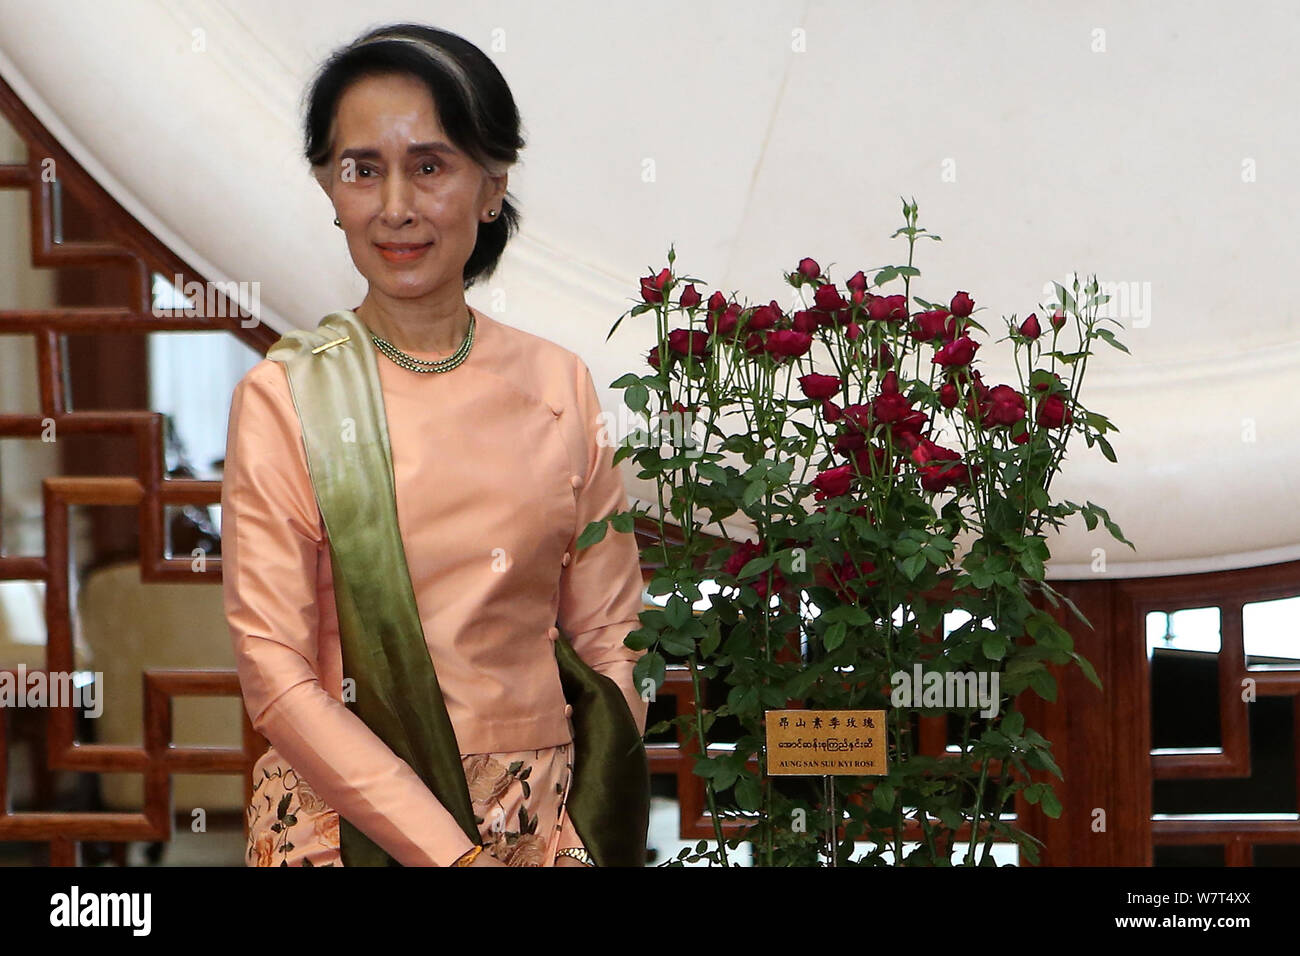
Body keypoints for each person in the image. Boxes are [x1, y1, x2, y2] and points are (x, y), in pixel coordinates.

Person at [221, 23, 648, 867]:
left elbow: (610, 636)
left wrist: (582, 829)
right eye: (362, 170)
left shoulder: (559, 385)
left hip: (543, 824)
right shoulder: (287, 397)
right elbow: (275, 670)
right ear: (327, 185)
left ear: (491, 186)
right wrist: (446, 856)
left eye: (429, 165)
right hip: (346, 827)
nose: (395, 208)